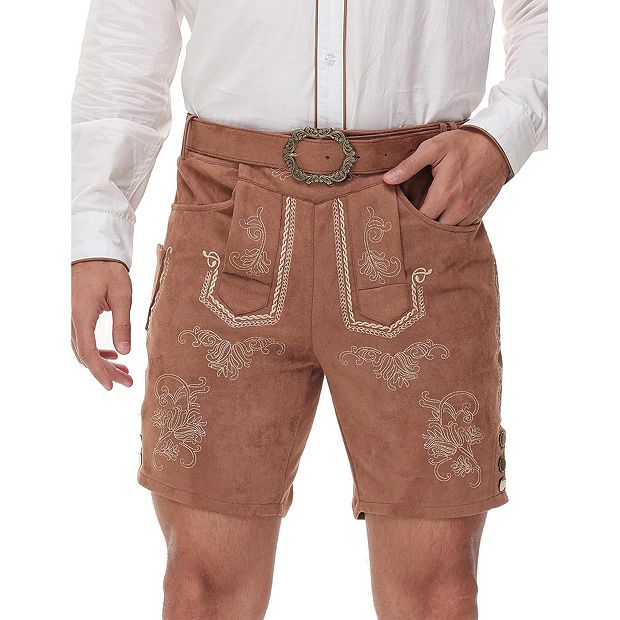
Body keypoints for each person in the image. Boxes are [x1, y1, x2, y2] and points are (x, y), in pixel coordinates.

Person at [70, 1, 547, 618]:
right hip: (225, 221)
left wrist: (503, 136)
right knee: (201, 587)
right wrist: (98, 235)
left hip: (419, 209)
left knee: (439, 591)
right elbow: (129, 26)